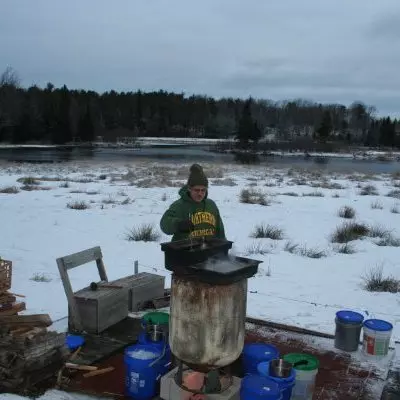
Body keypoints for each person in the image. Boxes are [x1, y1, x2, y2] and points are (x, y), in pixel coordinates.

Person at [160, 164, 226, 241]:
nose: (200, 194)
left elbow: (219, 229)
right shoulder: (179, 205)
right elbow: (164, 224)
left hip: (209, 250)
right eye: (197, 190)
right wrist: (178, 224)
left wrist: (223, 244)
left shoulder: (211, 205)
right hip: (184, 250)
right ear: (189, 189)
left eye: (203, 190)